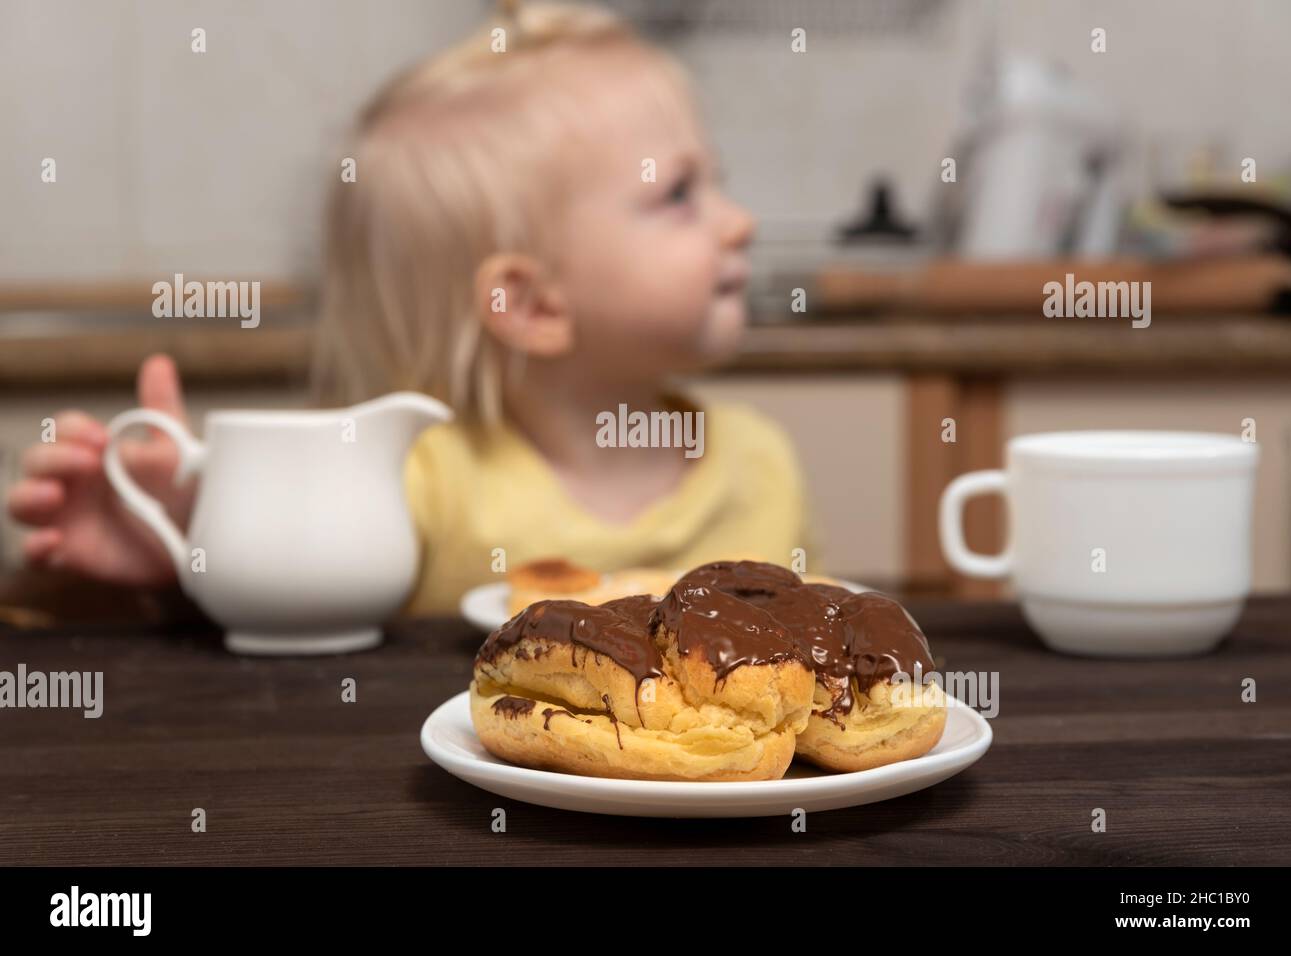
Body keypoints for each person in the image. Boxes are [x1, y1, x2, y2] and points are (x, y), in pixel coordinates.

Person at [5, 2, 816, 616]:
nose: (737, 220)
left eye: (716, 180)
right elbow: (289, 621)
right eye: (679, 193)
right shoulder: (414, 484)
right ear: (529, 304)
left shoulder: (764, 465)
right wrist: (185, 544)